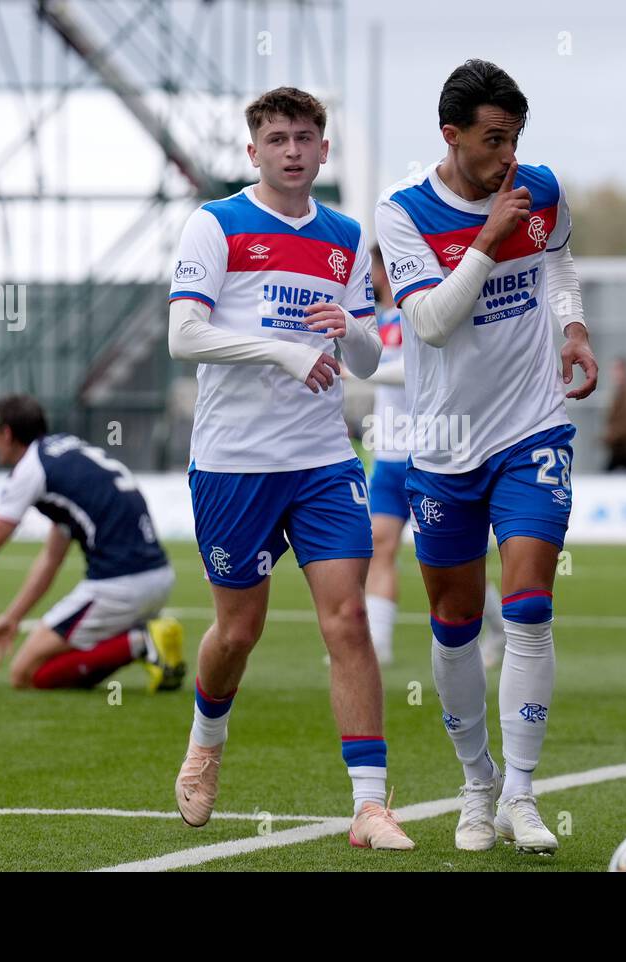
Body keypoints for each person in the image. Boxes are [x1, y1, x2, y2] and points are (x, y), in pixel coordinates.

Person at [166, 86, 413, 850]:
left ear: (324, 149)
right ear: (254, 151)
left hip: (321, 460)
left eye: (305, 138)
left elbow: (368, 355)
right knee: (238, 632)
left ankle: (370, 805)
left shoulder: (345, 235)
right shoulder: (217, 224)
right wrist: (283, 349)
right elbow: (184, 335)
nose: (293, 151)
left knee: (347, 620)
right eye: (277, 139)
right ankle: (207, 740)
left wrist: (353, 332)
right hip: (234, 464)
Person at [374, 60, 598, 853]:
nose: (508, 157)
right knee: (456, 623)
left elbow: (560, 257)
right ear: (452, 135)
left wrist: (572, 327)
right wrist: (487, 240)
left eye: (515, 139)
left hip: (533, 430)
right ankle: (478, 786)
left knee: (530, 603)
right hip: (441, 446)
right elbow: (431, 322)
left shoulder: (540, 189)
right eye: (493, 139)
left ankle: (525, 796)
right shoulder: (401, 213)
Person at [0, 394, 185, 693]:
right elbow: (51, 557)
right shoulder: (65, 449)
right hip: (157, 576)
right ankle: (140, 642)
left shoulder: (30, 470)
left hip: (120, 585)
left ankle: (139, 643)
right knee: (48, 665)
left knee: (25, 675)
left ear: (7, 434)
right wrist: (13, 618)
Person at [359, 246, 507, 669]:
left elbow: (419, 375)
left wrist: (360, 372)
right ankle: (378, 645)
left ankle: (497, 627)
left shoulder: (418, 315)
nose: (371, 274)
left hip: (431, 455)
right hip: (388, 457)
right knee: (380, 544)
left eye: (375, 266)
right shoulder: (381, 321)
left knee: (456, 561)